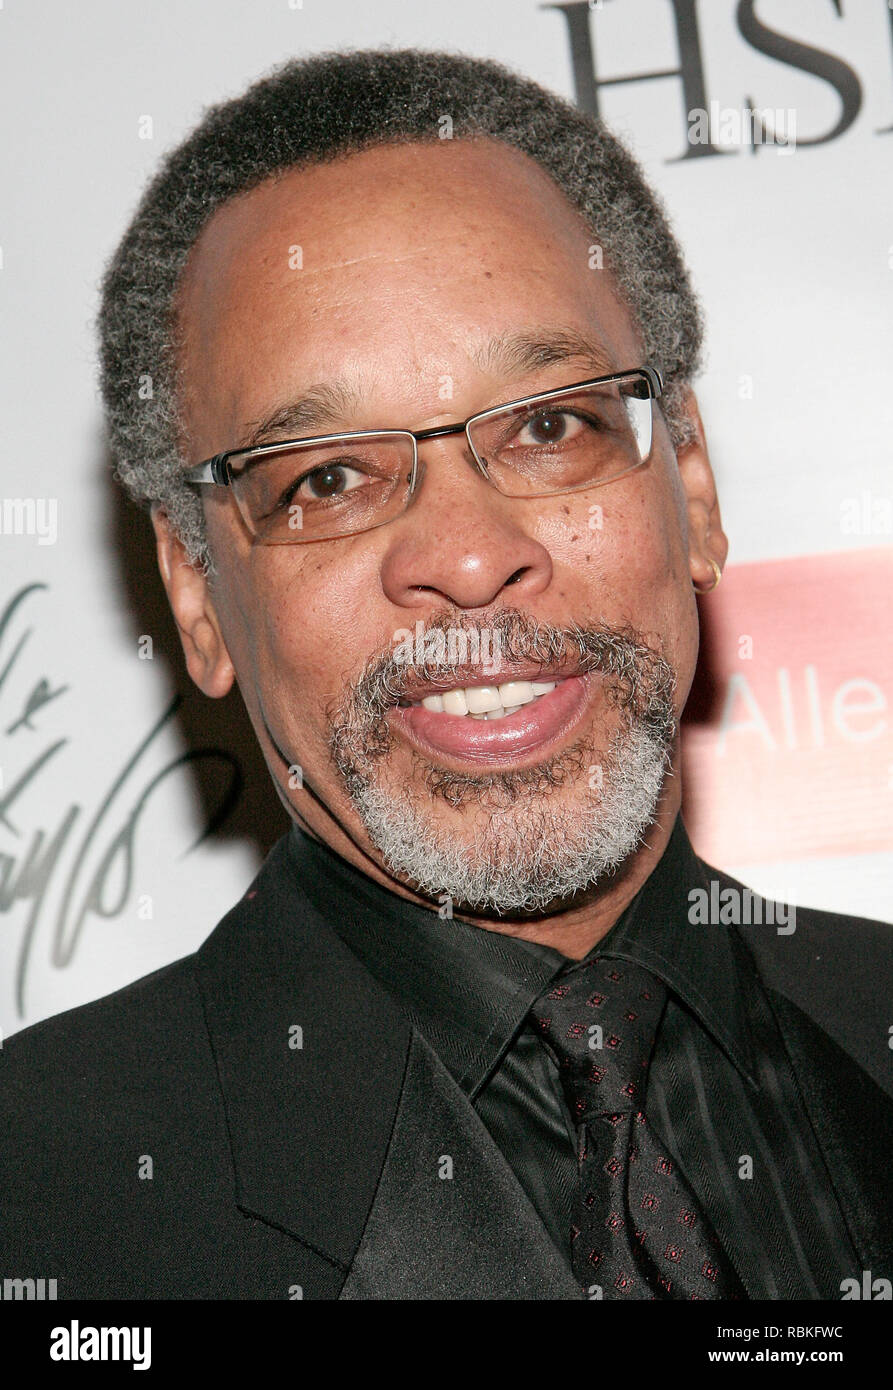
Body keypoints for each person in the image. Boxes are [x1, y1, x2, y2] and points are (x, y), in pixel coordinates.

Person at [2, 48, 890, 1301]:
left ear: (688, 483)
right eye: (326, 477)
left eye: (548, 425)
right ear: (196, 593)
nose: (469, 559)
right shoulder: (40, 1197)